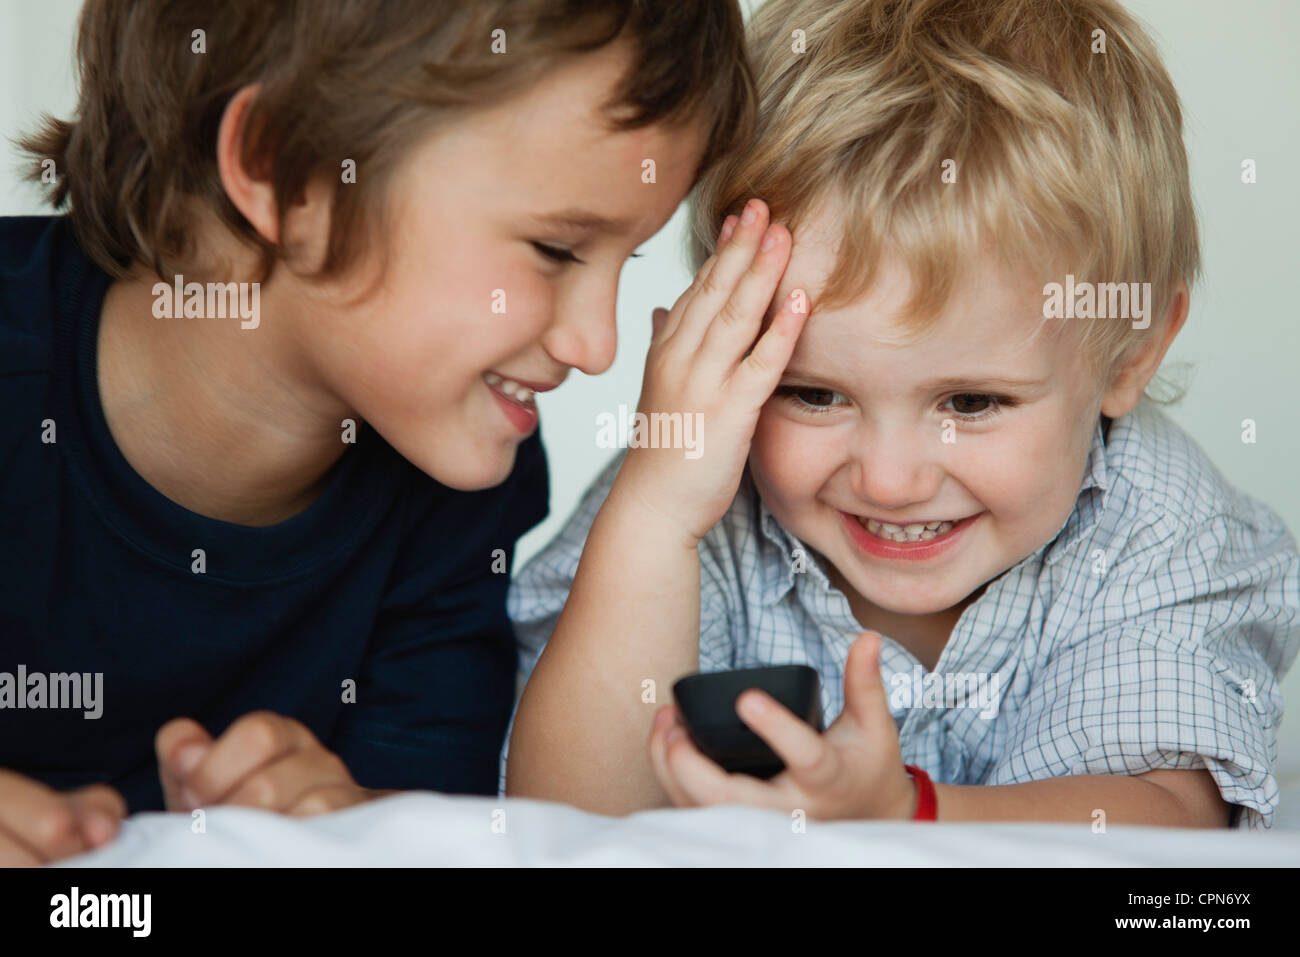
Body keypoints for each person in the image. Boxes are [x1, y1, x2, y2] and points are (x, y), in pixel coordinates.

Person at [505, 0, 1299, 829]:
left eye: (971, 401)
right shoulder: (683, 490)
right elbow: (569, 821)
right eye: (813, 393)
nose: (888, 479)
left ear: (1129, 355)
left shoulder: (1158, 527)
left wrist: (909, 814)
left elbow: (1168, 818)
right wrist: (654, 515)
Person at [0, 0, 755, 864]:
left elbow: (429, 813)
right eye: (554, 248)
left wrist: (348, 818)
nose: (597, 345)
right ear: (284, 171)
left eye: (632, 259)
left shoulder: (463, 489)